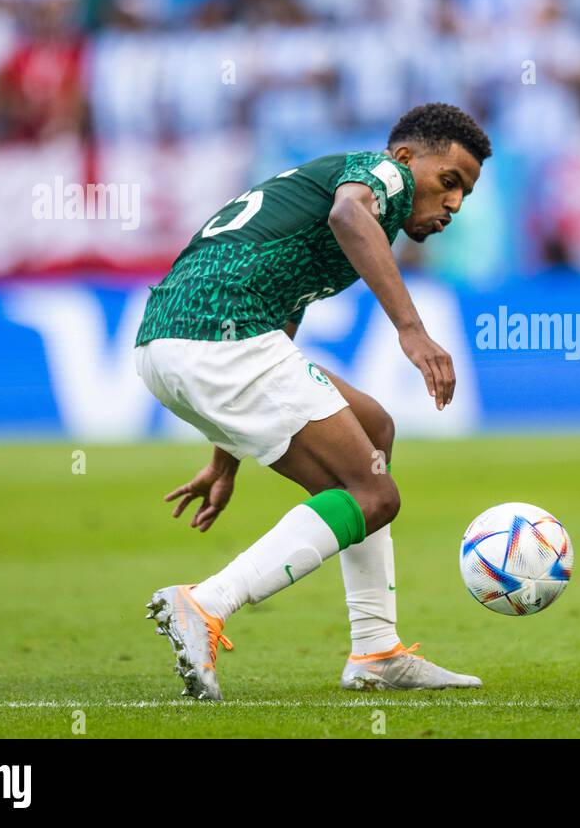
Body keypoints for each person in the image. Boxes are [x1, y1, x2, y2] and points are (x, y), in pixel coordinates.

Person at [136, 103, 491, 698]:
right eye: (448, 181)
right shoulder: (382, 178)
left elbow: (283, 318)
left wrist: (225, 459)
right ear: (406, 158)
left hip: (172, 341)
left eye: (465, 194)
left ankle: (376, 650)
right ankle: (206, 602)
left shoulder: (318, 200)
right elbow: (350, 214)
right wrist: (411, 329)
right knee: (373, 495)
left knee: (373, 430)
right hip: (218, 330)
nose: (453, 203)